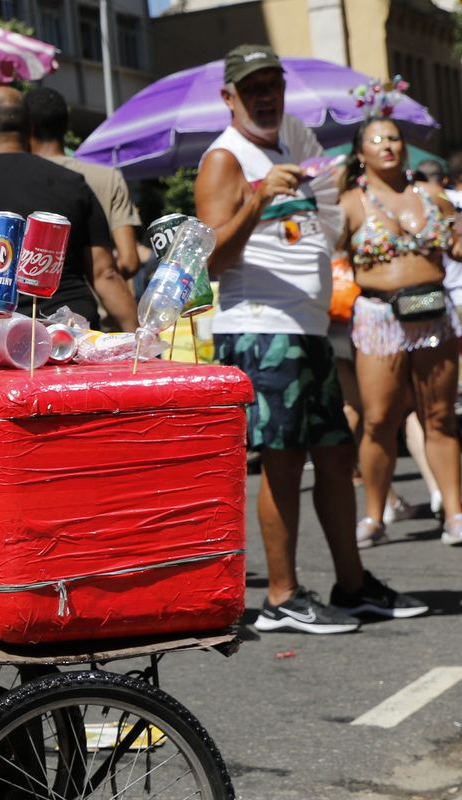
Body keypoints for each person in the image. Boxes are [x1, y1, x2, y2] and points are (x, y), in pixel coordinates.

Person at [194, 44, 425, 634]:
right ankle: (280, 596)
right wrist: (257, 197)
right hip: (260, 328)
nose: (266, 95)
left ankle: (351, 587)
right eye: (253, 89)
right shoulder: (225, 159)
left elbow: (316, 224)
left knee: (334, 454)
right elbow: (210, 259)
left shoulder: (293, 142)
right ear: (230, 100)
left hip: (308, 326)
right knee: (283, 461)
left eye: (273, 84)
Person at [338, 111, 462, 546]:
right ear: (360, 153)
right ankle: (375, 514)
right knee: (378, 420)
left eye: (393, 137)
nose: (387, 145)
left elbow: (457, 246)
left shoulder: (434, 196)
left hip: (433, 312)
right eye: (376, 140)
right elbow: (331, 260)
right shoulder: (349, 203)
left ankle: (454, 512)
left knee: (441, 416)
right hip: (379, 319)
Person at [0, 87, 136, 331]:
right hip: (67, 334)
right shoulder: (72, 183)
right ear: (30, 131)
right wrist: (144, 348)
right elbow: (105, 274)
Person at [25, 87, 141, 278]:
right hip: (95, 303)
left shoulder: (19, 178)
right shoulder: (108, 177)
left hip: (33, 302)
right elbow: (129, 261)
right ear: (65, 126)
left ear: (27, 127)